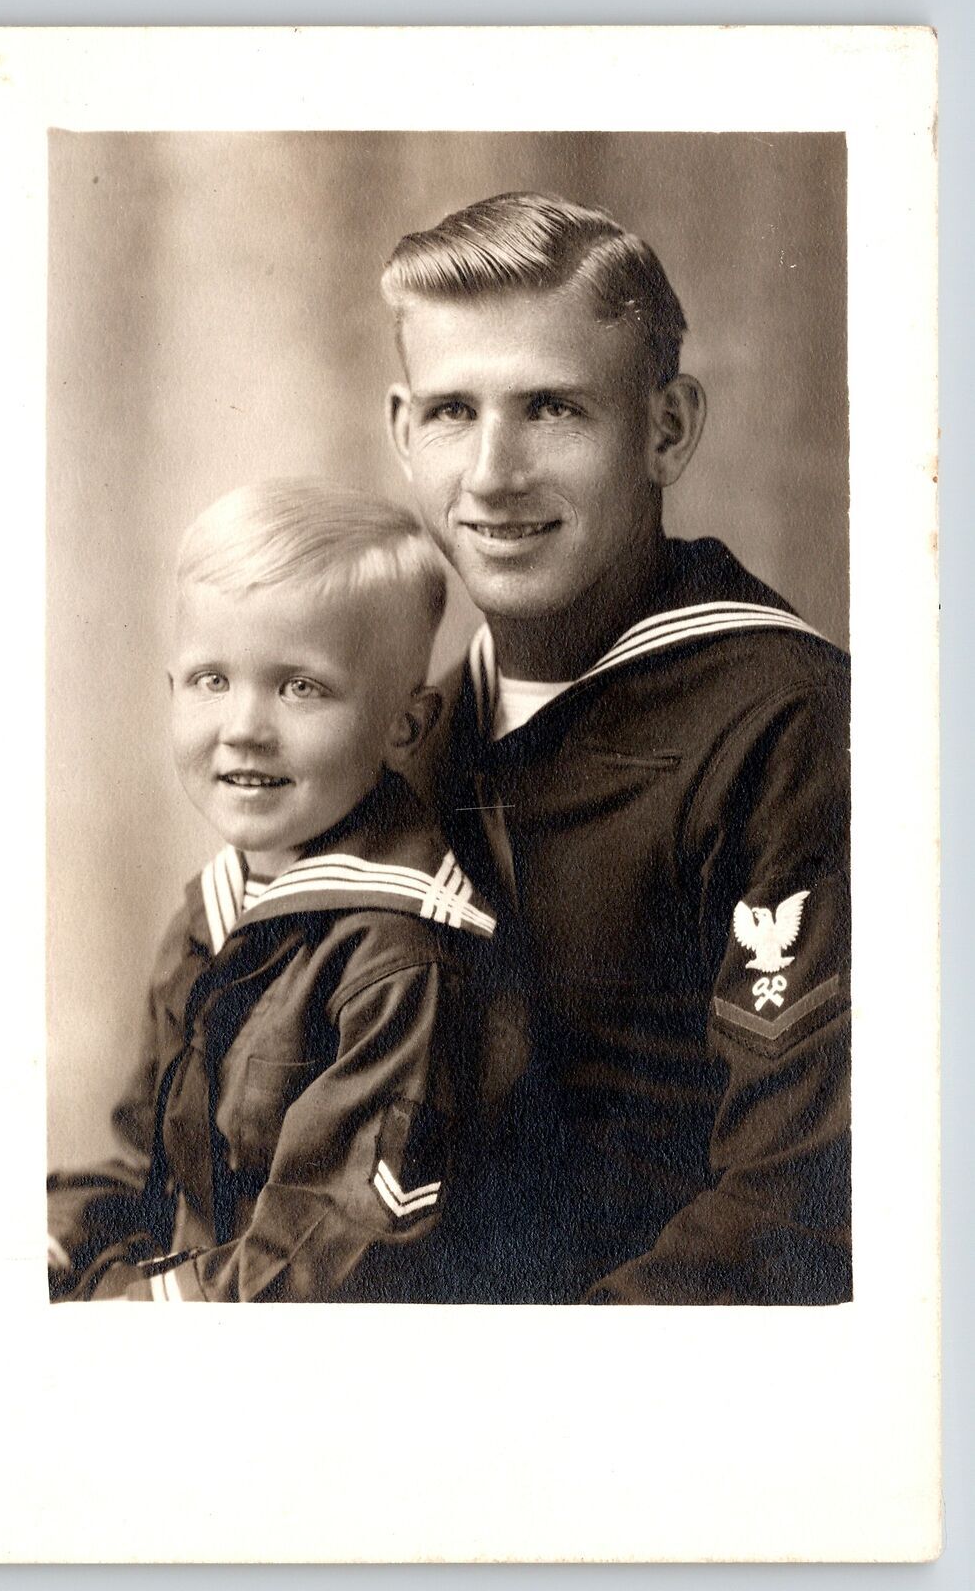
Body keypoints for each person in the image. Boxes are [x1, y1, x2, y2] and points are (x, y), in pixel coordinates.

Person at [382, 191, 851, 1305]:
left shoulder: (790, 729)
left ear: (667, 427)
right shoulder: (409, 736)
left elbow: (799, 1206)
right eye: (453, 411)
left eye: (551, 408)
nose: (493, 473)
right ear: (402, 431)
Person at [47, 478, 498, 1302]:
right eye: (211, 680)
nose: (244, 725)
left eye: (301, 687)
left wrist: (131, 1313)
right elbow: (146, 1167)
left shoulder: (396, 957)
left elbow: (328, 1249)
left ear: (405, 724)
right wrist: (47, 1244)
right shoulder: (211, 913)